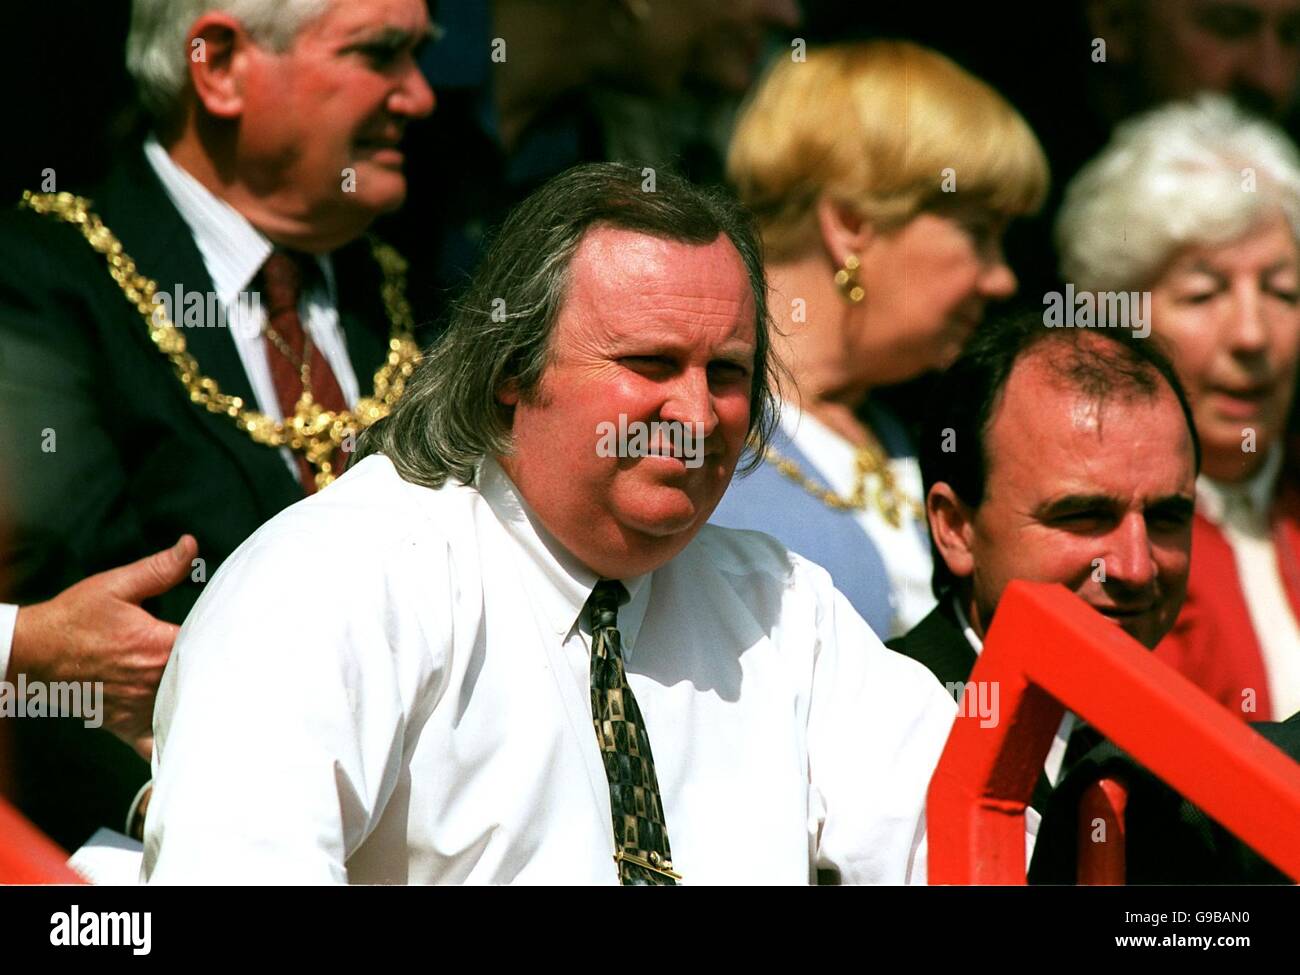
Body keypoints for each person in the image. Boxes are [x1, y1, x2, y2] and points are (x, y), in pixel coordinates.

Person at [143, 163, 957, 885]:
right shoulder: (338, 580)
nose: (699, 413)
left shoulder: (785, 609)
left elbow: (966, 836)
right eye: (650, 363)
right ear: (511, 370)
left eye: (729, 372)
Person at [0, 0, 435, 850]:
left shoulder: (429, 276)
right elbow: (62, 639)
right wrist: (188, 821)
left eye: (420, 56)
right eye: (381, 54)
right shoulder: (44, 279)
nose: (419, 96)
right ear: (221, 65)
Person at [710, 41, 1048, 639]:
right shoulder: (704, 430)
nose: (1002, 279)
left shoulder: (904, 431)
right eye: (977, 233)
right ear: (852, 224)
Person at [889, 310, 1201, 836]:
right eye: (1083, 516)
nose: (1134, 566)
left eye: (1166, 517)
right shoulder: (869, 731)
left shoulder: (1186, 767)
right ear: (955, 529)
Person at [1057, 94, 1300, 722]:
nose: (1252, 334)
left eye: (1282, 291)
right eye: (1202, 294)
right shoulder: (1100, 541)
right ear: (1117, 316)